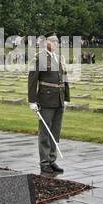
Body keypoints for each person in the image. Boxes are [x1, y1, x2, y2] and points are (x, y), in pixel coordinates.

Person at [28, 35, 70, 175]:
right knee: (45, 133)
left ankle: (52, 160)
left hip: (59, 99)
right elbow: (32, 80)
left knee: (55, 131)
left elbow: (65, 78)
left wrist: (66, 97)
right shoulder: (39, 58)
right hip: (46, 99)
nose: (55, 44)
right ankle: (44, 162)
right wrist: (32, 101)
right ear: (46, 42)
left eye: (57, 42)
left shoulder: (59, 58)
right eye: (53, 42)